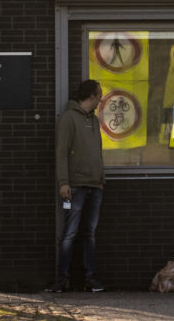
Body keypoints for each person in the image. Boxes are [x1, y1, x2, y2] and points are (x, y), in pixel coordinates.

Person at [45, 80, 107, 293]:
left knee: (89, 233)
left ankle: (90, 279)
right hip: (76, 186)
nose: (101, 99)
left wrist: (100, 179)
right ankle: (62, 279)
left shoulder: (95, 120)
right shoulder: (69, 119)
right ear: (91, 96)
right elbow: (61, 153)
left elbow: (97, 151)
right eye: (99, 95)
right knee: (70, 233)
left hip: (95, 186)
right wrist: (63, 182)